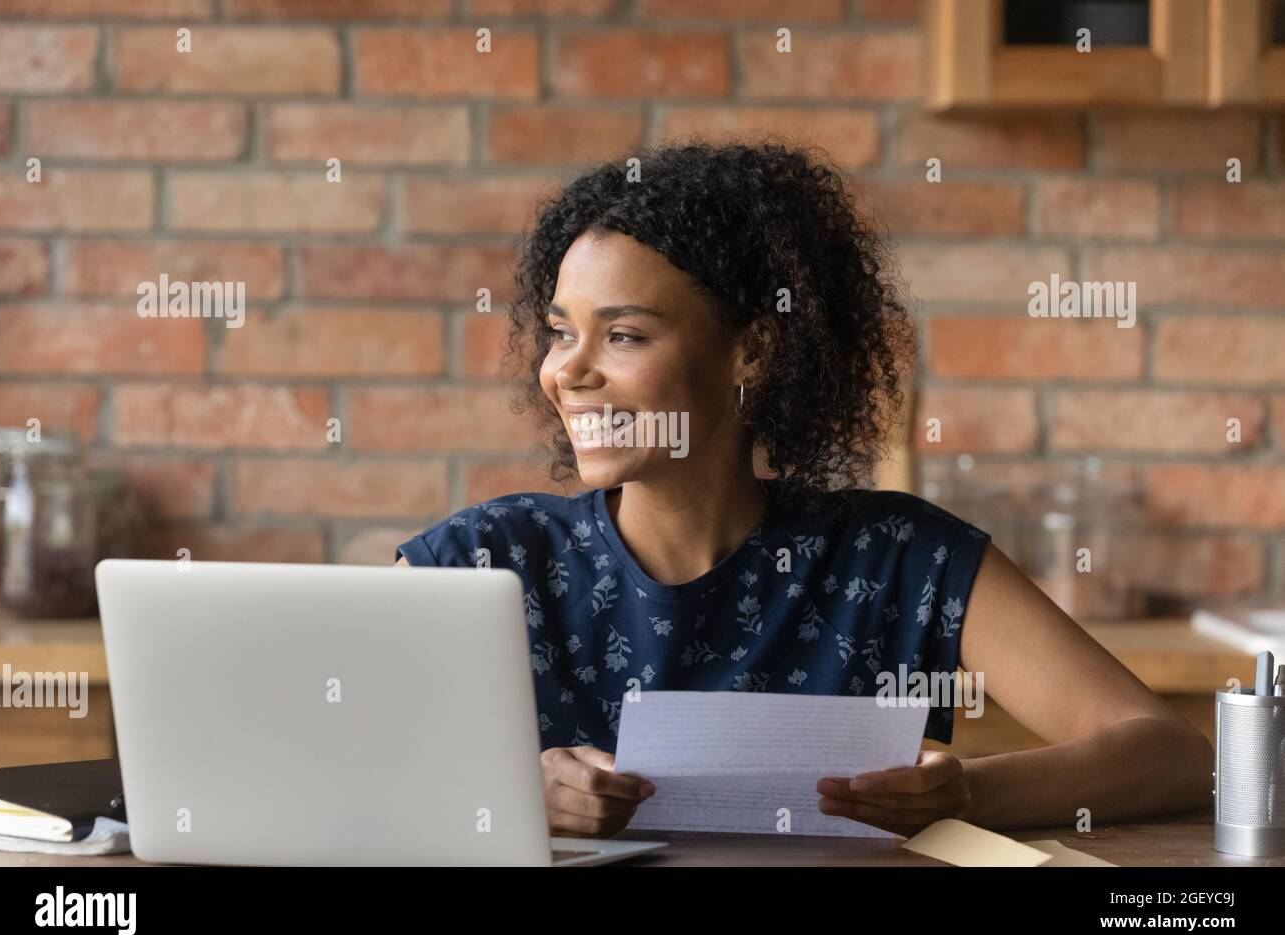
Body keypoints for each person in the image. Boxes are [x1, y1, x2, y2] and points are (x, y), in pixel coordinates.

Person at [395, 140, 1212, 839]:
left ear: (753, 352)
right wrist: (501, 794)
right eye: (562, 333)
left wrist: (965, 794)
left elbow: (1172, 754)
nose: (567, 372)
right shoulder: (483, 560)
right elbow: (304, 752)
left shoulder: (899, 559)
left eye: (624, 335)